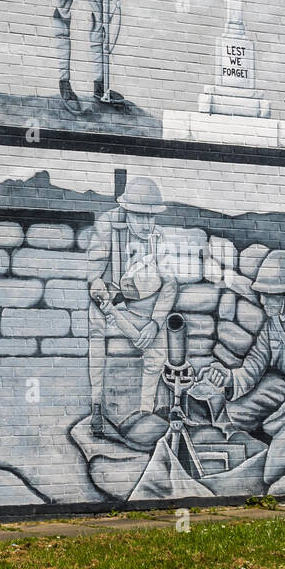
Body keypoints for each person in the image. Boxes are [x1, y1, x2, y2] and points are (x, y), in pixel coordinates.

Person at [84, 176, 178, 437]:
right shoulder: (106, 227)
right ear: (126, 212)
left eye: (152, 217)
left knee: (158, 350)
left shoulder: (159, 238)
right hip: (110, 297)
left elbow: (170, 284)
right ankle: (96, 406)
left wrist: (156, 322)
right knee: (96, 336)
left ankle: (145, 414)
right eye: (140, 217)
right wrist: (107, 306)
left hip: (142, 302)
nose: (147, 224)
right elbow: (94, 278)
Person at [192, 249, 285, 433]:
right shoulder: (271, 327)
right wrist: (229, 378)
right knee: (233, 404)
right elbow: (254, 364)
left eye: (268, 294)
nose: (262, 301)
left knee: (242, 409)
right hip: (271, 382)